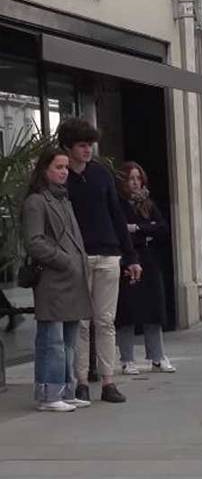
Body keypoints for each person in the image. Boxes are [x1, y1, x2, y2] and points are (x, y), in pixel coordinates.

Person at [57, 118, 138, 404]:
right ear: (68, 146)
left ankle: (108, 381)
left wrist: (130, 256)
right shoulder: (60, 177)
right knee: (80, 322)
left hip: (108, 254)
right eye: (82, 145)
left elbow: (117, 215)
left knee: (106, 321)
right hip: (78, 257)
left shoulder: (102, 174)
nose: (88, 150)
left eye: (90, 145)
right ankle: (80, 381)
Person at [22, 147, 93, 412]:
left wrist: (77, 263)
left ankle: (66, 390)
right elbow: (34, 242)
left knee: (69, 342)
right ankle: (49, 395)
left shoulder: (64, 200)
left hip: (72, 281)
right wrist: (66, 260)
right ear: (44, 170)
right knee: (52, 341)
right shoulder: (36, 201)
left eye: (65, 167)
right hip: (52, 280)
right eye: (58, 167)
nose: (64, 172)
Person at [114, 162, 172, 375]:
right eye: (131, 179)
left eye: (138, 178)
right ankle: (127, 359)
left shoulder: (147, 203)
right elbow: (121, 231)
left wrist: (138, 228)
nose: (135, 183)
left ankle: (157, 356)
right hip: (127, 261)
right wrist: (145, 231)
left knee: (154, 310)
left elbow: (162, 228)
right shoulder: (117, 204)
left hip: (150, 260)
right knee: (127, 311)